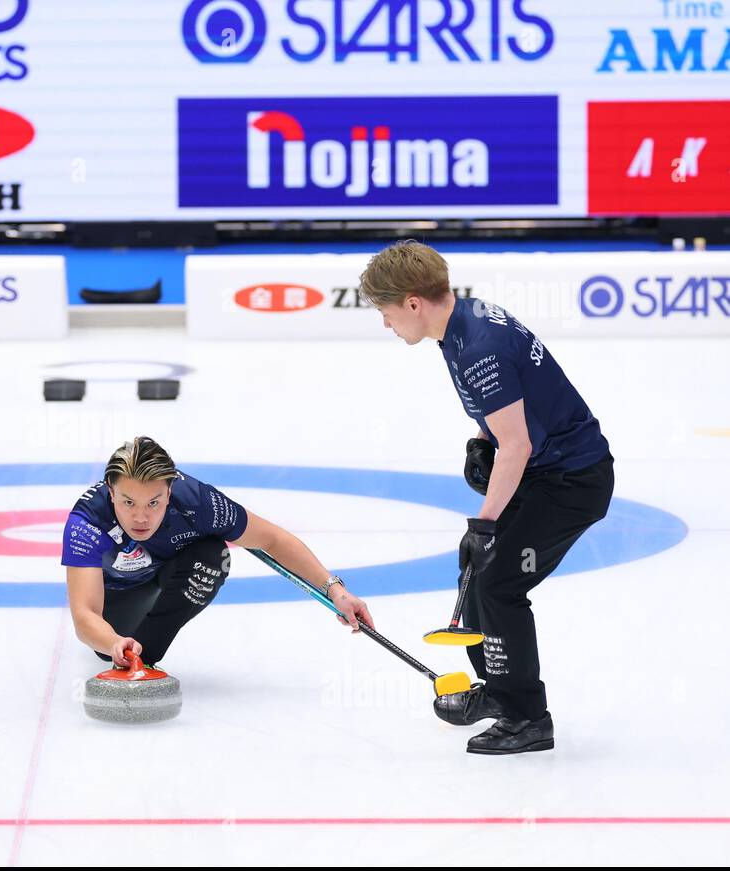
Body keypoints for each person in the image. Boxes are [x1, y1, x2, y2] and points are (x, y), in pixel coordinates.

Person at [360, 240, 614, 754]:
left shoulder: (478, 347)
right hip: (543, 467)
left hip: (571, 480)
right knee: (480, 575)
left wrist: (484, 524)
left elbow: (517, 444)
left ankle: (527, 717)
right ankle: (501, 690)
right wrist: (482, 441)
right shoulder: (461, 323)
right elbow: (509, 418)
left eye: (386, 314)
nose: (387, 325)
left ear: (412, 302)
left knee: (497, 583)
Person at [62, 437, 373, 670]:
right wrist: (115, 642)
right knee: (106, 650)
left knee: (213, 556)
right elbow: (85, 615)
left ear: (170, 492)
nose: (141, 517)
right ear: (110, 491)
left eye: (154, 503)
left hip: (170, 571)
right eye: (128, 503)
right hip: (122, 592)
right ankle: (125, 646)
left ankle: (144, 657)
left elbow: (273, 540)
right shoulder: (87, 521)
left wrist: (335, 590)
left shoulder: (197, 501)